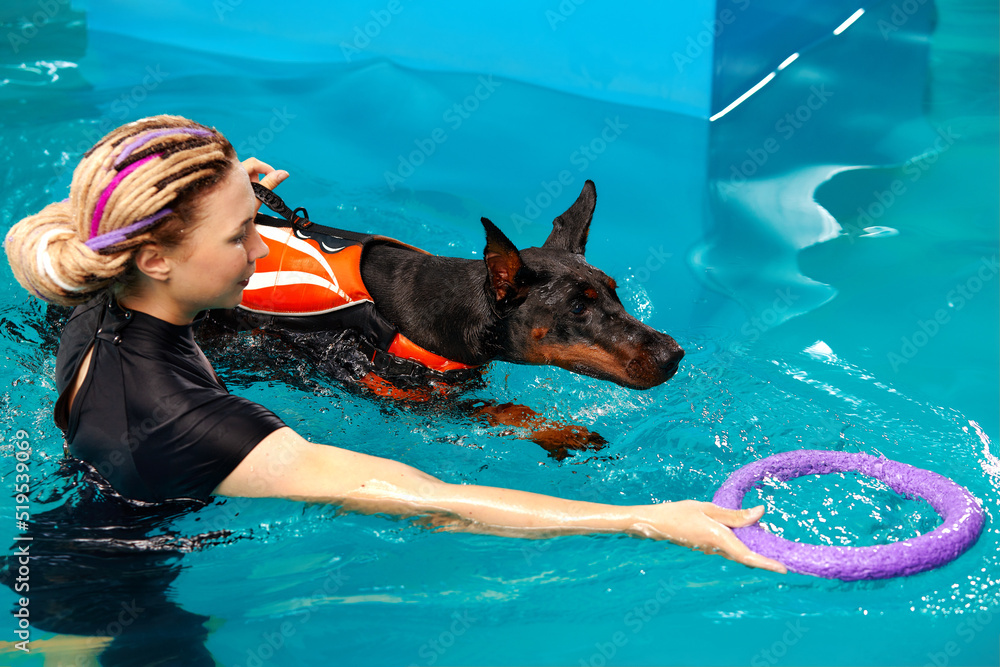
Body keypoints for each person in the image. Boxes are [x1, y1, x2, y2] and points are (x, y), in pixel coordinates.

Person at [4, 114, 786, 574]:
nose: (265, 247)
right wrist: (646, 519)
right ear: (157, 254)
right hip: (113, 612)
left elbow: (102, 212)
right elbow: (436, 502)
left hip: (48, 555)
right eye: (245, 234)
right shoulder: (189, 417)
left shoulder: (93, 289)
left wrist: (217, 194)